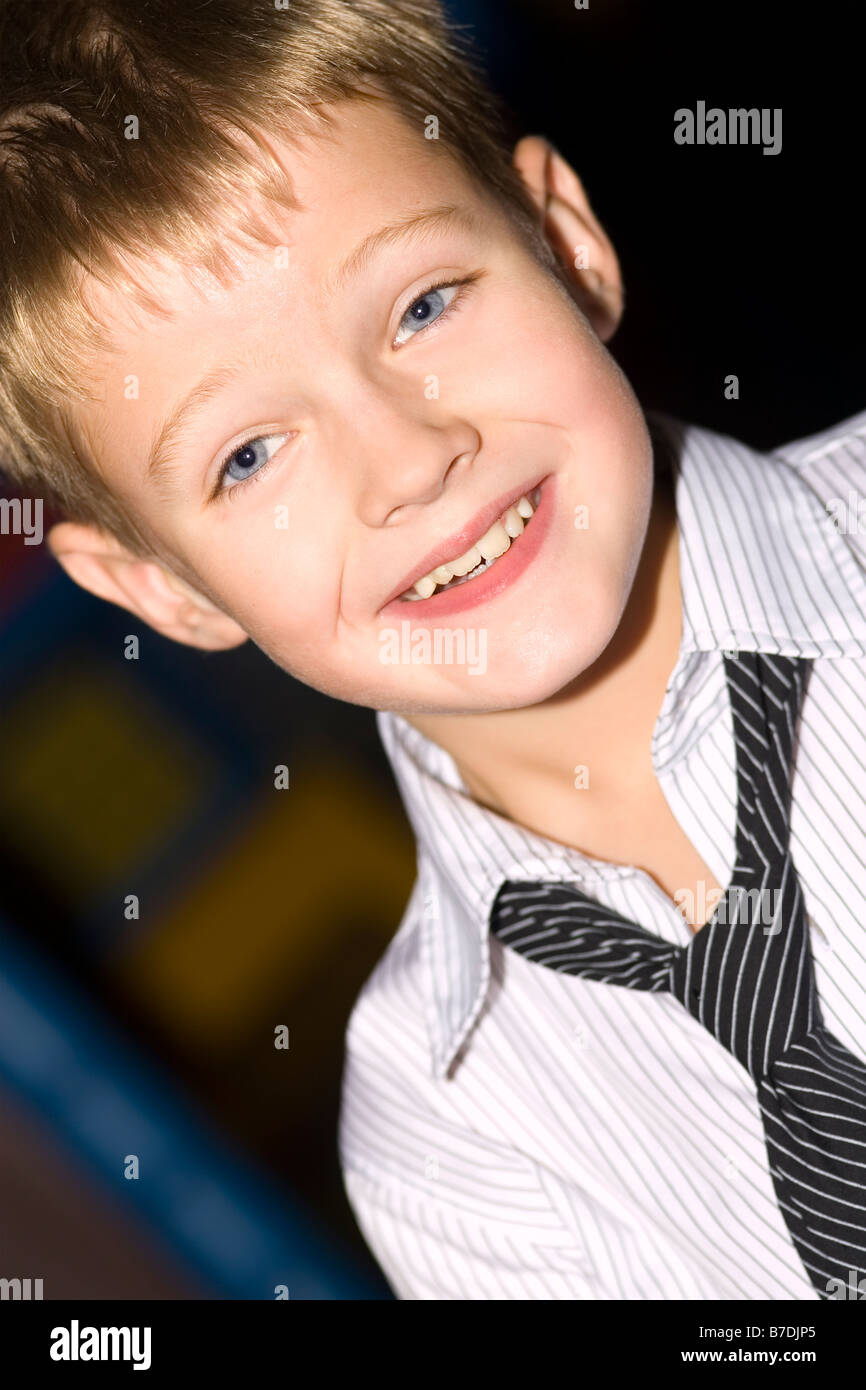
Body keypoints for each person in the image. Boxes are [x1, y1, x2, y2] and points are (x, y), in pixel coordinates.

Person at [2, 0, 865, 1300]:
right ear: (162, 586)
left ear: (564, 245)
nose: (409, 460)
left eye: (422, 307)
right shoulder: (447, 1142)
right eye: (246, 455)